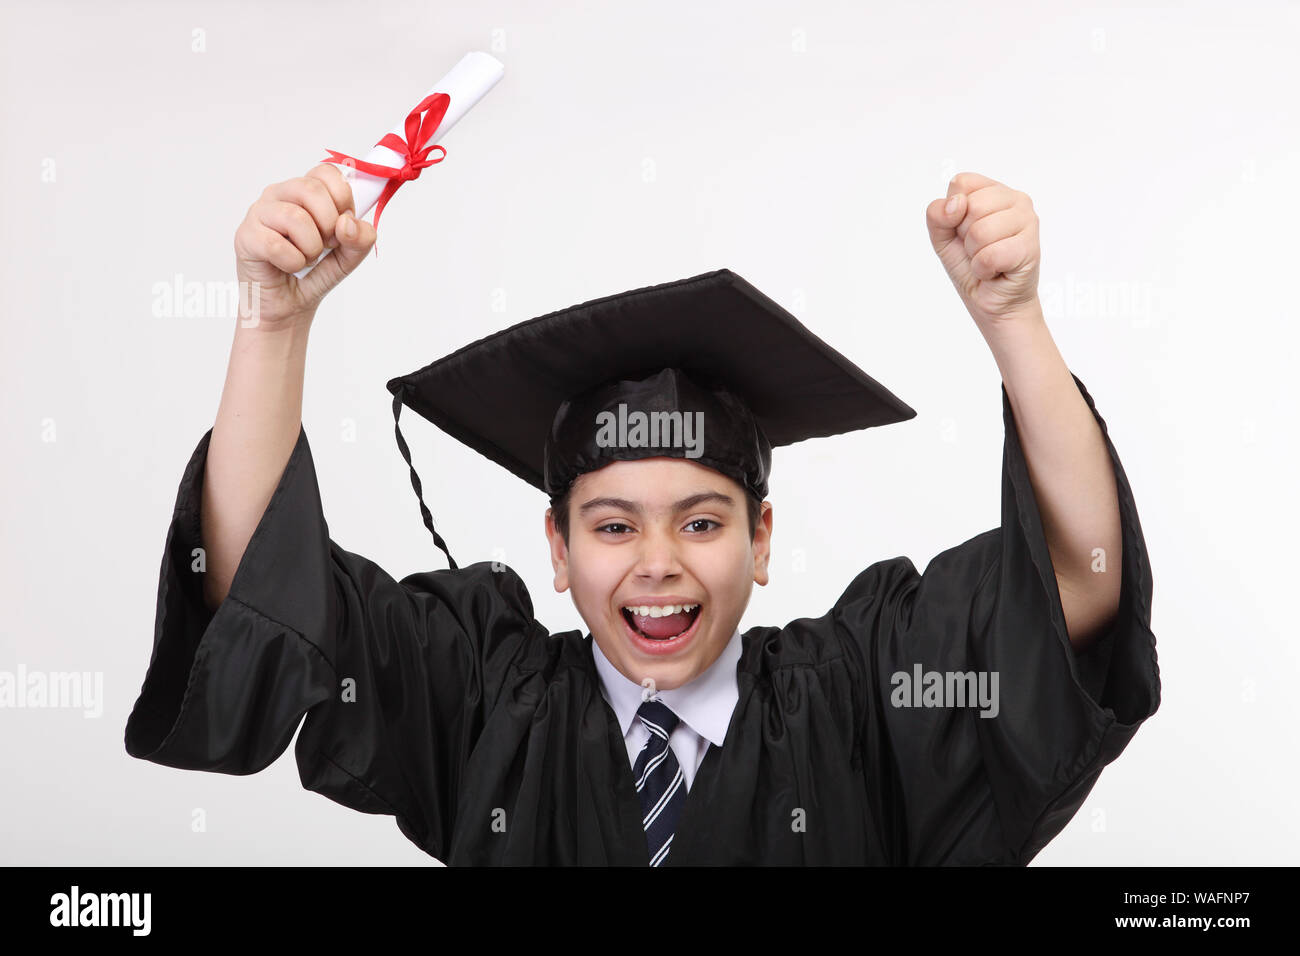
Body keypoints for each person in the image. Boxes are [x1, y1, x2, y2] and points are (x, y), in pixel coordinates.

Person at [123, 165, 1160, 865]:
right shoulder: (483, 702)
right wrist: (271, 322)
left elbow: (1076, 580)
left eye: (702, 522)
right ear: (558, 551)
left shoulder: (859, 697)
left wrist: (1012, 320)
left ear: (761, 541)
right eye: (613, 525)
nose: (658, 561)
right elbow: (258, 588)